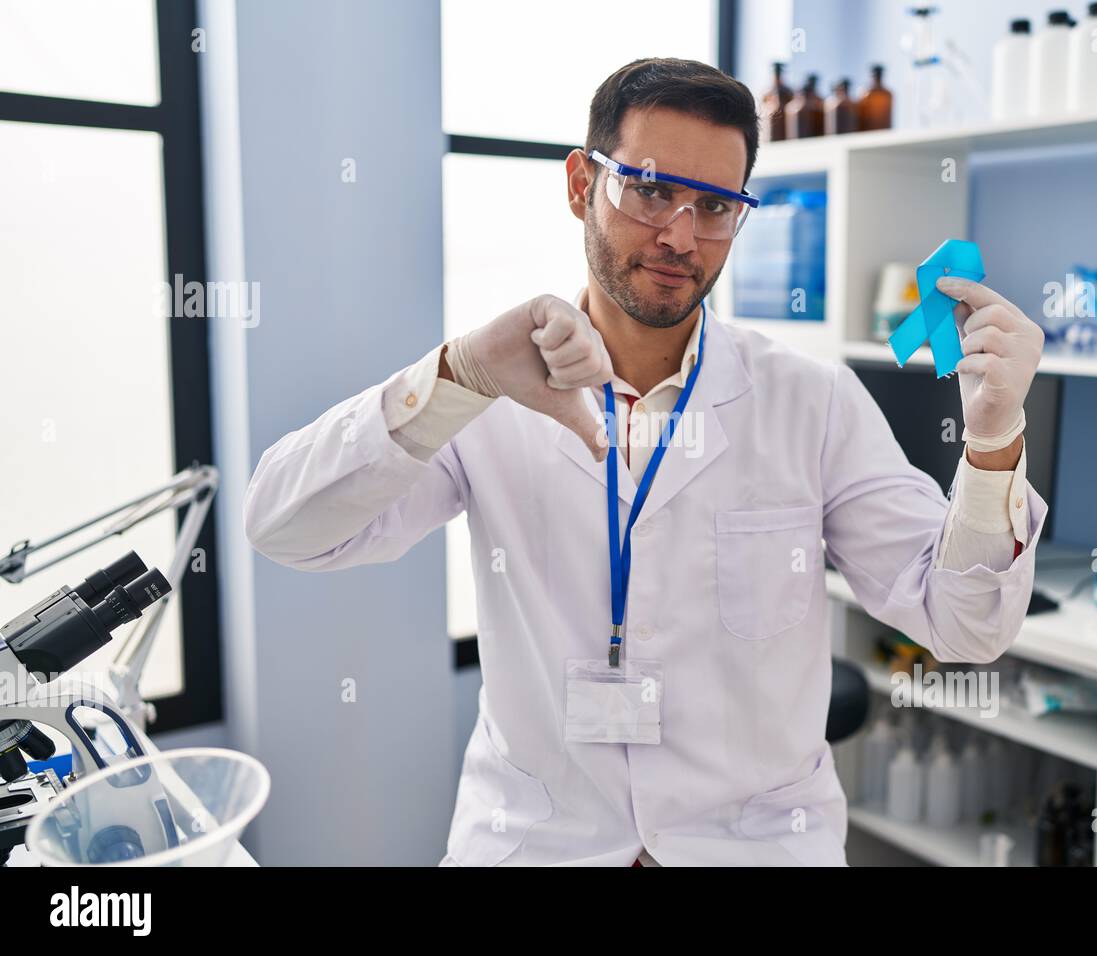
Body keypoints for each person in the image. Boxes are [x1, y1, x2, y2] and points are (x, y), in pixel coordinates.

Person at [244, 57, 1047, 866]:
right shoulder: (486, 393)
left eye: (716, 207)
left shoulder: (813, 402)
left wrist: (992, 443)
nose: (680, 235)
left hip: (753, 847)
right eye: (652, 190)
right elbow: (287, 529)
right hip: (539, 843)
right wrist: (455, 375)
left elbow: (965, 625)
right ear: (578, 185)